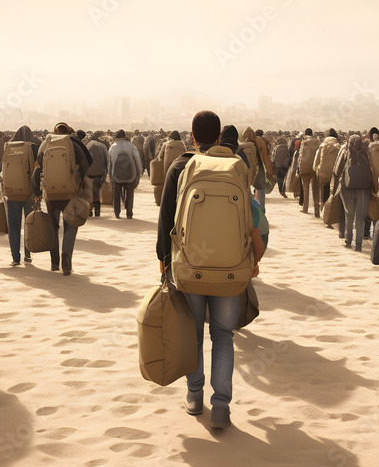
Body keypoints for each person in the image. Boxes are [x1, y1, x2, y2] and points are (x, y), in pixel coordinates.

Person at [156, 111, 264, 429]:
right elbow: (249, 219)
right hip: (230, 269)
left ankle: (194, 396)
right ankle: (221, 407)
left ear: (192, 137)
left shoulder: (181, 166)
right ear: (218, 137)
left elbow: (166, 220)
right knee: (223, 336)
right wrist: (253, 260)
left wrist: (163, 261)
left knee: (193, 335)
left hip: (189, 267)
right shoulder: (236, 168)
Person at [35, 123, 91, 275]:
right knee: (70, 226)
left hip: (50, 194)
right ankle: (66, 258)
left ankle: (54, 262)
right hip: (70, 193)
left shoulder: (46, 144)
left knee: (53, 228)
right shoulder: (73, 144)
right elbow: (87, 164)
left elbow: (38, 166)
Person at [4, 125, 39, 266]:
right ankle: (28, 254)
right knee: (29, 224)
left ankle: (15, 257)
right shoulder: (34, 146)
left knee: (13, 225)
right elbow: (38, 171)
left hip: (12, 192)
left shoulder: (9, 147)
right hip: (29, 192)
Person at [333, 134, 375, 251]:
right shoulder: (367, 152)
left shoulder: (346, 151)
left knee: (349, 215)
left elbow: (336, 170)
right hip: (364, 188)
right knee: (361, 217)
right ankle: (358, 245)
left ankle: (348, 241)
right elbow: (373, 170)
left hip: (348, 188)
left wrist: (335, 187)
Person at [107, 130, 142, 219]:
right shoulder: (131, 146)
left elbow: (110, 162)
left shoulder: (113, 147)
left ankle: (117, 212)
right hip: (131, 174)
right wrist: (139, 172)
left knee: (116, 194)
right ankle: (129, 212)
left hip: (116, 174)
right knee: (130, 194)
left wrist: (110, 174)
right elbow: (137, 160)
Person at [85, 131, 109, 218]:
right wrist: (106, 173)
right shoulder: (103, 146)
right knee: (96, 193)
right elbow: (107, 161)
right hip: (99, 174)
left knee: (88, 193)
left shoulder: (87, 146)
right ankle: (97, 212)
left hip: (88, 174)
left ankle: (89, 211)